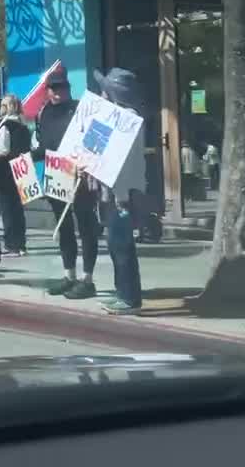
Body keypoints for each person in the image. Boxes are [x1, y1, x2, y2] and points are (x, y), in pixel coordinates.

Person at [32, 64, 101, 300]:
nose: (58, 92)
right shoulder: (44, 113)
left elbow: (94, 142)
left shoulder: (81, 109)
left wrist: (88, 165)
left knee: (86, 226)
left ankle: (87, 279)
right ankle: (69, 275)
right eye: (53, 88)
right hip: (56, 175)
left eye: (61, 87)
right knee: (64, 228)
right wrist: (26, 156)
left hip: (79, 176)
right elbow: (45, 146)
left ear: (69, 88)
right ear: (47, 91)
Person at [93, 68, 147, 315]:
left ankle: (129, 298)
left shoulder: (127, 120)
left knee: (122, 246)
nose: (101, 94)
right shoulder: (117, 118)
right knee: (116, 246)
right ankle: (123, 293)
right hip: (114, 193)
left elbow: (120, 160)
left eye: (105, 90)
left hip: (122, 195)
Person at [0, 94, 31, 255]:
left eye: (3, 105)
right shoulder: (23, 125)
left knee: (6, 208)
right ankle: (21, 243)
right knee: (18, 209)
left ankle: (11, 244)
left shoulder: (5, 126)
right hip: (20, 169)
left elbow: (3, 149)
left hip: (4, 171)